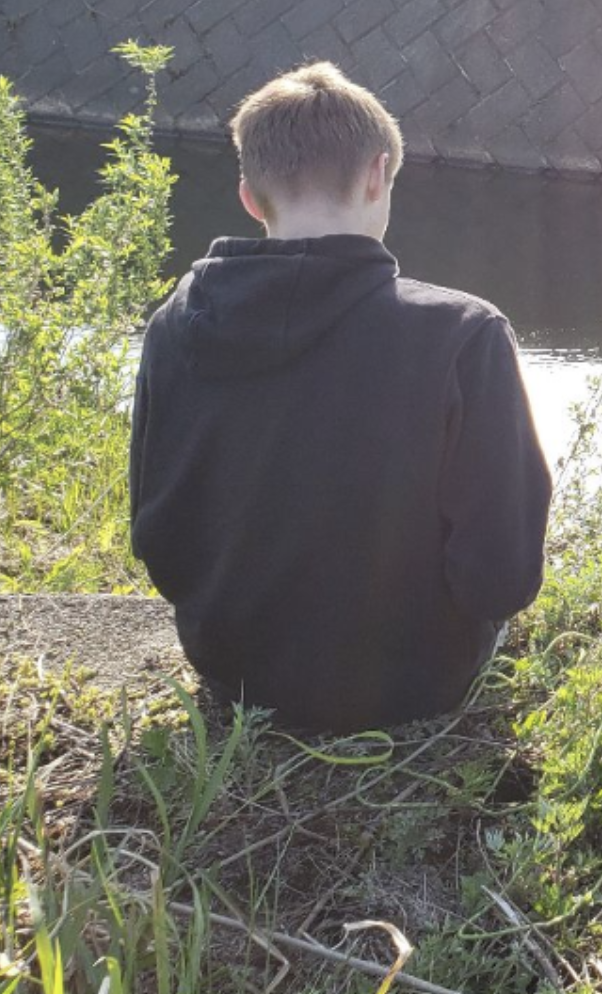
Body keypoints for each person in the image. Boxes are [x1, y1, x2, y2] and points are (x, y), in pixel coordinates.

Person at [129, 62, 552, 734]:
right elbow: (501, 577)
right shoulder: (464, 335)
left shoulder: (175, 326)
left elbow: (161, 536)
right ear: (378, 175)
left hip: (232, 669)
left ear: (248, 194)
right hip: (417, 681)